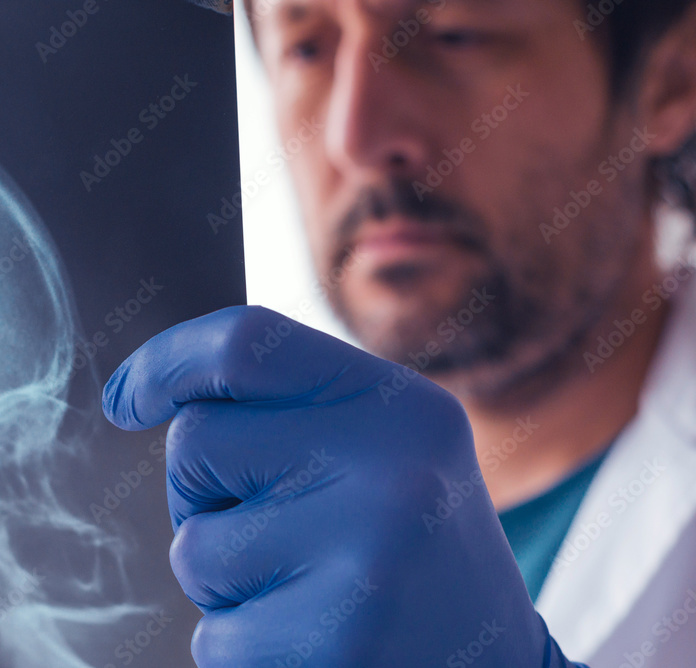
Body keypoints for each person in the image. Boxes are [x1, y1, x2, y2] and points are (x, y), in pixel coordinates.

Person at [103, 0, 696, 665]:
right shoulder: (214, 524)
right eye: (306, 48)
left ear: (668, 80)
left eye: (452, 35)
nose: (353, 136)